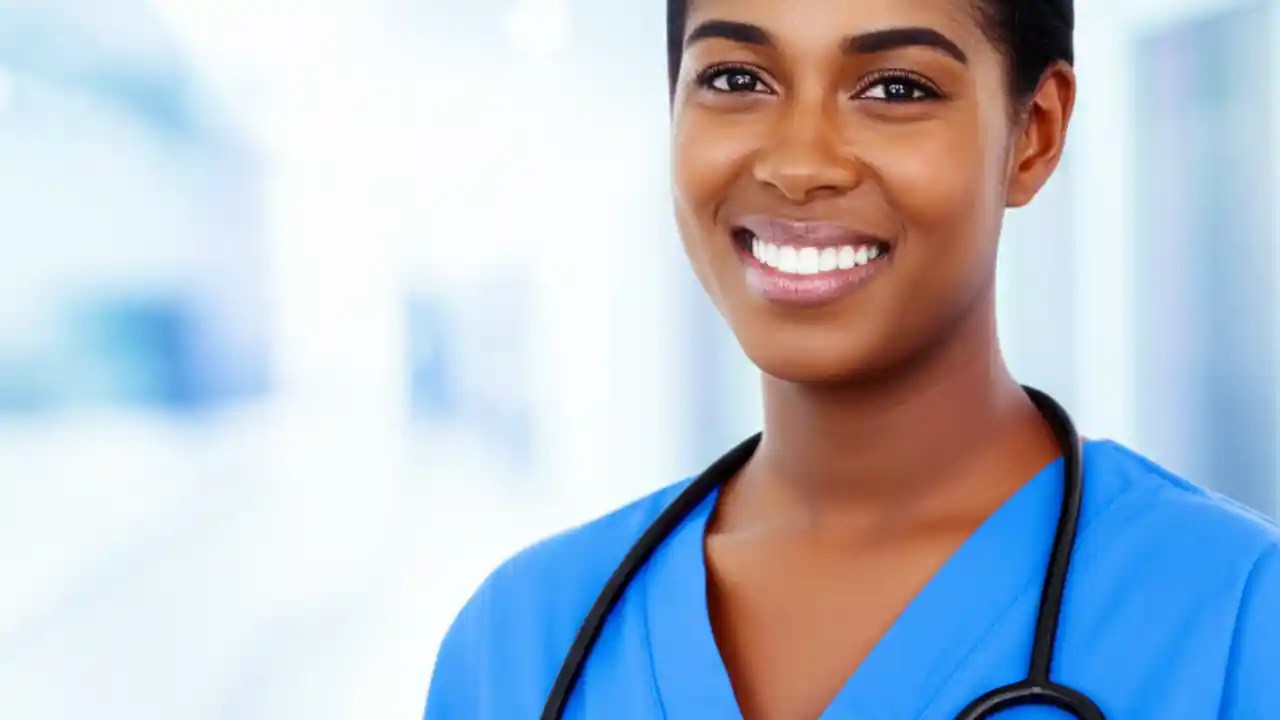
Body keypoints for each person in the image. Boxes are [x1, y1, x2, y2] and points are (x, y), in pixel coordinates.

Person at [425, 0, 1280, 717]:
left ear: (1036, 133)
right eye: (736, 79)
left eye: (896, 88)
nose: (799, 166)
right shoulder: (523, 645)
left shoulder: (1239, 616)